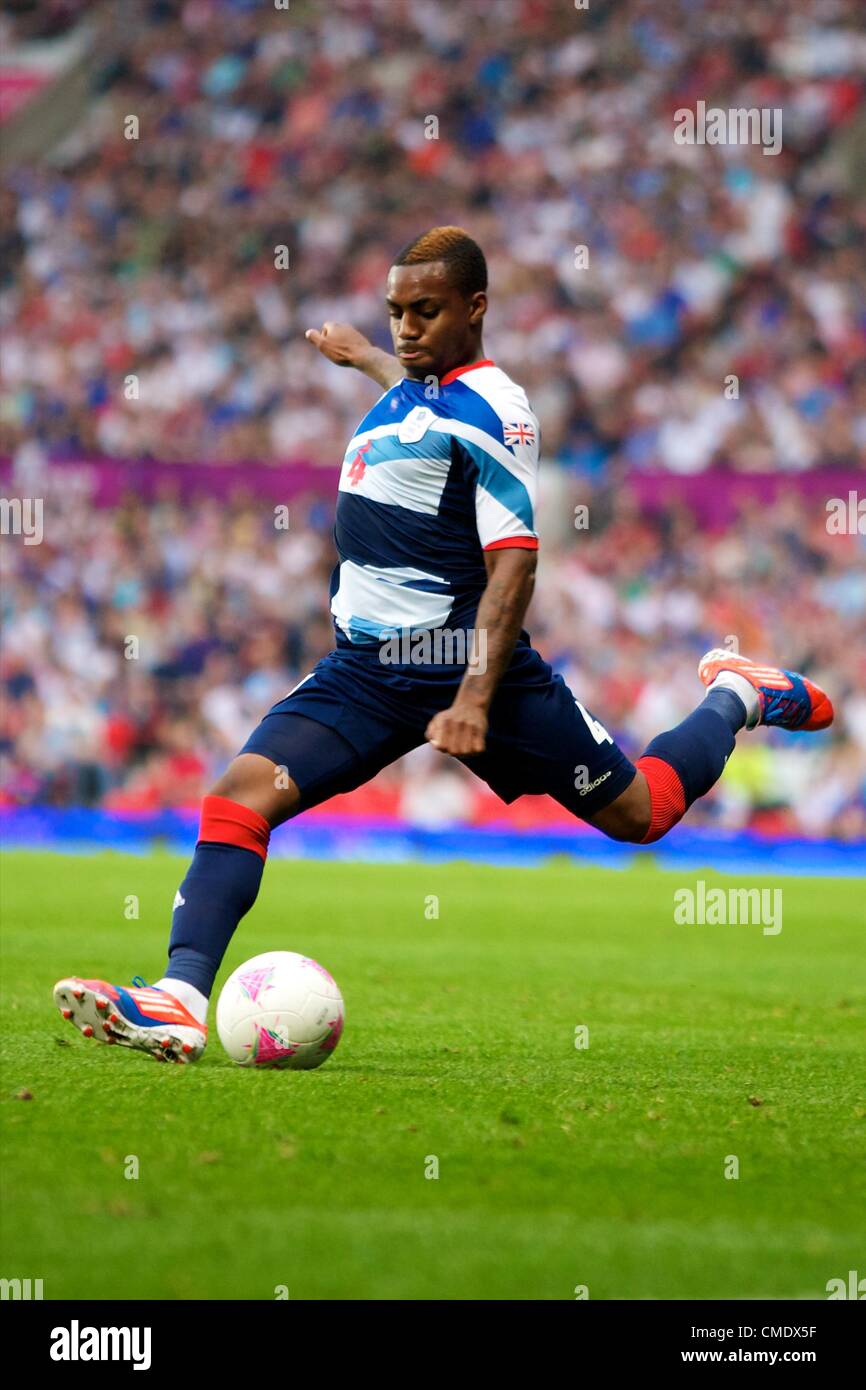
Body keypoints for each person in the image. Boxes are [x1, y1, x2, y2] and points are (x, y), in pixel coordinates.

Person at [54, 227, 833, 1063]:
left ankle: (737, 693)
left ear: (476, 308)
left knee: (642, 813)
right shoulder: (415, 389)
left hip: (464, 664)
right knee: (239, 797)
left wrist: (470, 695)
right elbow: (426, 405)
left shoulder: (498, 409)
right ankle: (178, 999)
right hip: (363, 672)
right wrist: (366, 360)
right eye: (394, 313)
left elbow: (514, 567)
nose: (404, 329)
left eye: (424, 312)